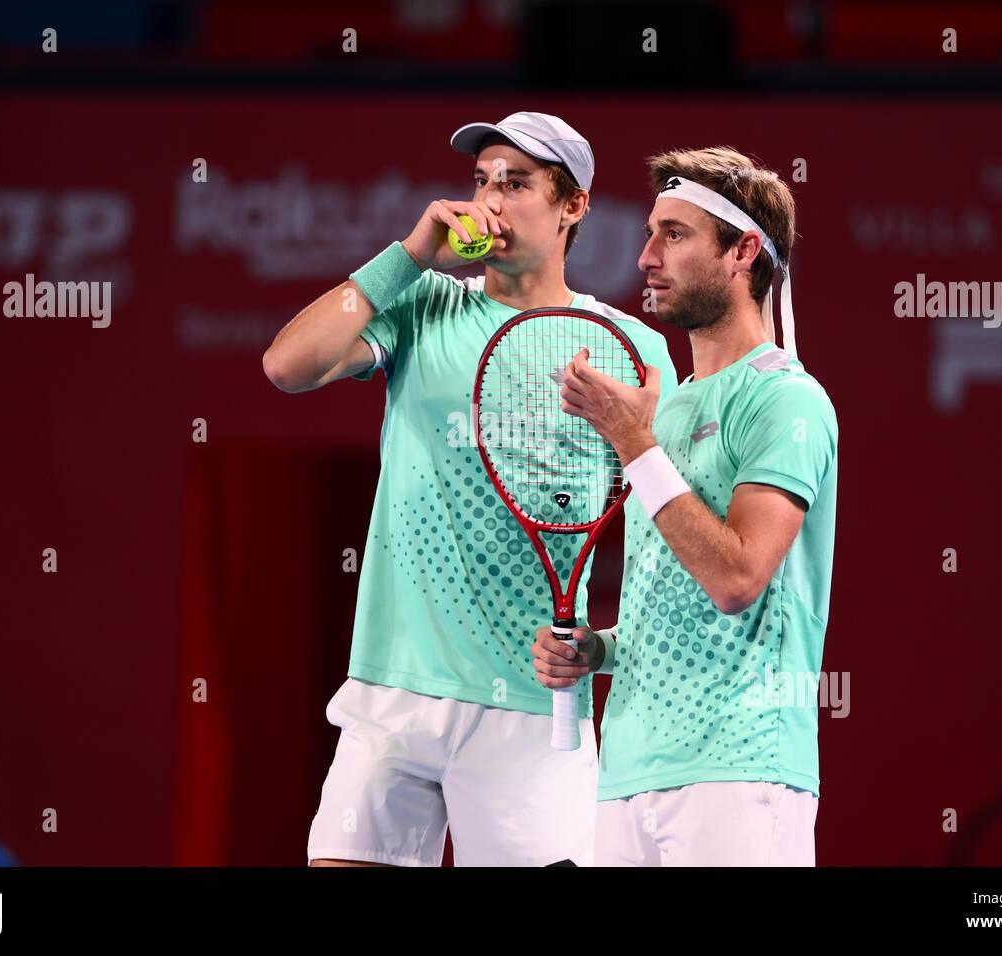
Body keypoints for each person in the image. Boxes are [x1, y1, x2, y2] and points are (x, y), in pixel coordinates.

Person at [264, 112, 678, 866]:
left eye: (516, 183)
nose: (490, 200)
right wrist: (412, 253)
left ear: (573, 205)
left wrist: (607, 650)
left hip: (532, 709)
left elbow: (667, 543)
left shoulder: (633, 348)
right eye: (481, 181)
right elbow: (287, 366)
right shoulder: (425, 305)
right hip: (395, 689)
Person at [532, 146, 838, 866]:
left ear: (743, 250)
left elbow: (736, 580)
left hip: (740, 769)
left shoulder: (786, 400)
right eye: (649, 233)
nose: (644, 258)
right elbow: (665, 594)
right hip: (629, 774)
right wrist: (598, 650)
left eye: (674, 235)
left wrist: (632, 441)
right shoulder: (663, 415)